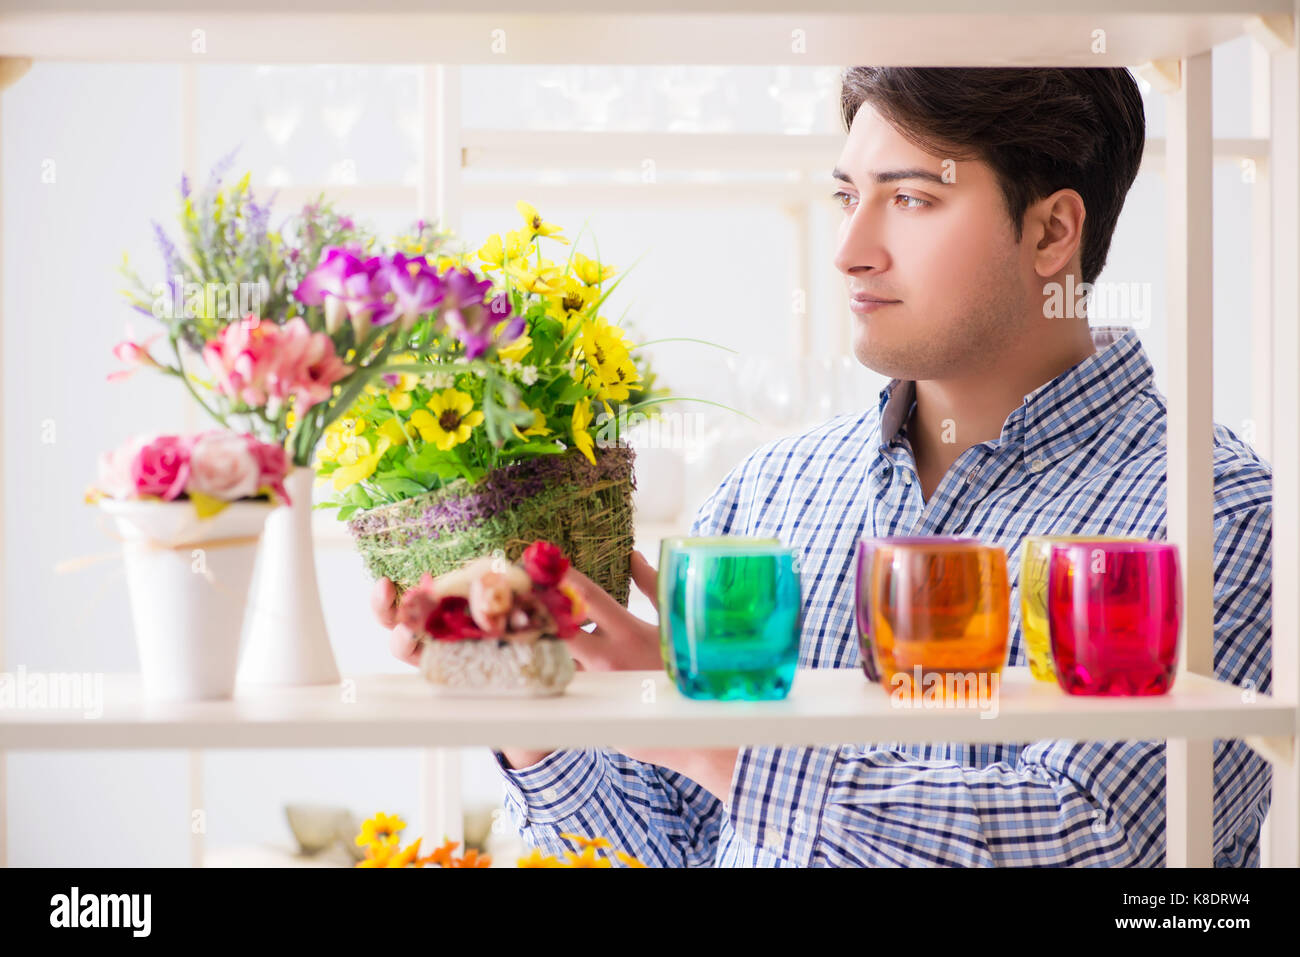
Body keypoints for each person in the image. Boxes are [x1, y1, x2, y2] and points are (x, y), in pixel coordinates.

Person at [372, 66, 1273, 867]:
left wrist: (704, 736)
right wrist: (531, 705)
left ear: (1053, 233)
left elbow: (1092, 840)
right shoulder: (774, 492)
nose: (850, 250)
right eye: (848, 196)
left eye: (912, 199)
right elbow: (678, 845)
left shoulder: (1221, 515)